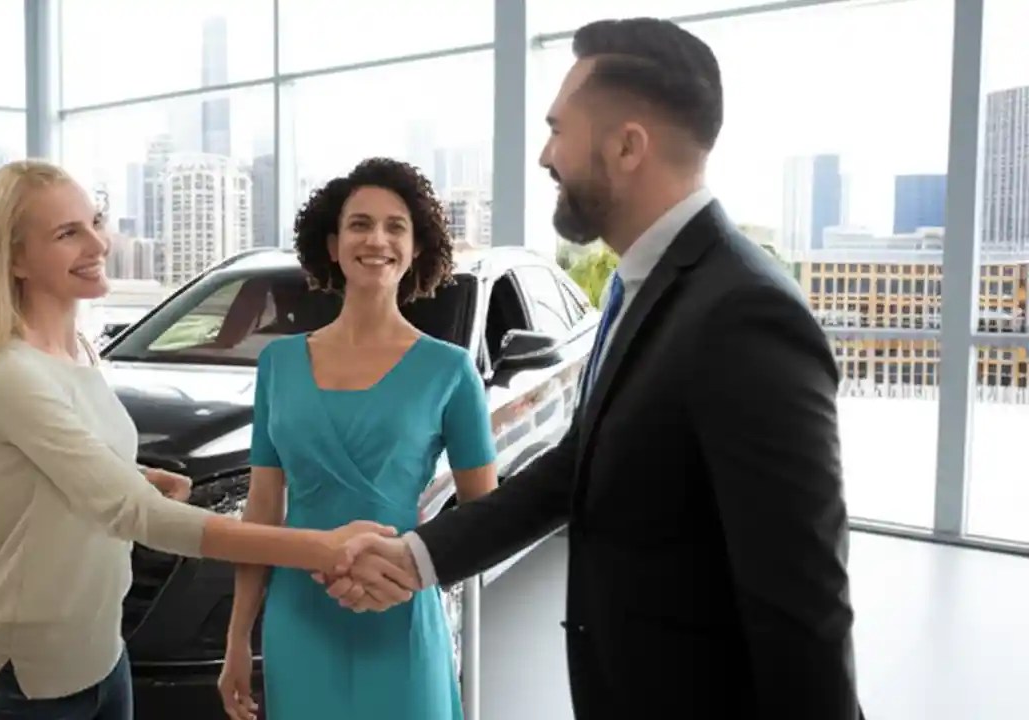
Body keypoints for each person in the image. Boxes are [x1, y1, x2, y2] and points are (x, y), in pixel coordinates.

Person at [323, 18, 864, 720]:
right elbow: (575, 466)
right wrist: (416, 557)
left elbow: (804, 604)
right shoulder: (638, 287)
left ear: (626, 145)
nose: (546, 154)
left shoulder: (744, 312)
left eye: (558, 128)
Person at [0, 159, 401, 720]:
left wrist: (136, 473)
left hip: (103, 656)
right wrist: (322, 546)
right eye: (68, 234)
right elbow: (141, 518)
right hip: (24, 681)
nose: (99, 243)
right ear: (15, 258)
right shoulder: (11, 375)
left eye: (95, 221)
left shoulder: (79, 353)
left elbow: (69, 470)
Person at [216, 158, 499, 720]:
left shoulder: (450, 371)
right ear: (334, 242)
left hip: (398, 608)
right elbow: (263, 513)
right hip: (299, 616)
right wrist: (237, 639)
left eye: (396, 226)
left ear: (416, 247)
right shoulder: (279, 364)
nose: (377, 239)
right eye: (360, 224)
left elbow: (486, 519)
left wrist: (415, 568)